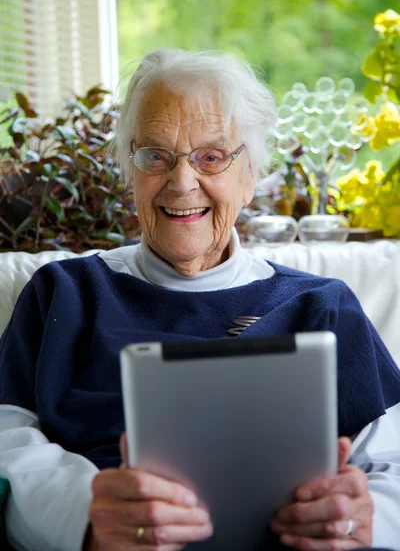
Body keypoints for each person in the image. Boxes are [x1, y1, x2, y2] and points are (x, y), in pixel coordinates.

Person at [0, 48, 400, 551]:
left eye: (211, 157)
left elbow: (393, 461)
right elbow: (6, 441)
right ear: (130, 170)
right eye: (156, 156)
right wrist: (87, 517)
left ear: (250, 175)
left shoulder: (321, 306)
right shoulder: (64, 294)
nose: (182, 181)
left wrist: (365, 519)